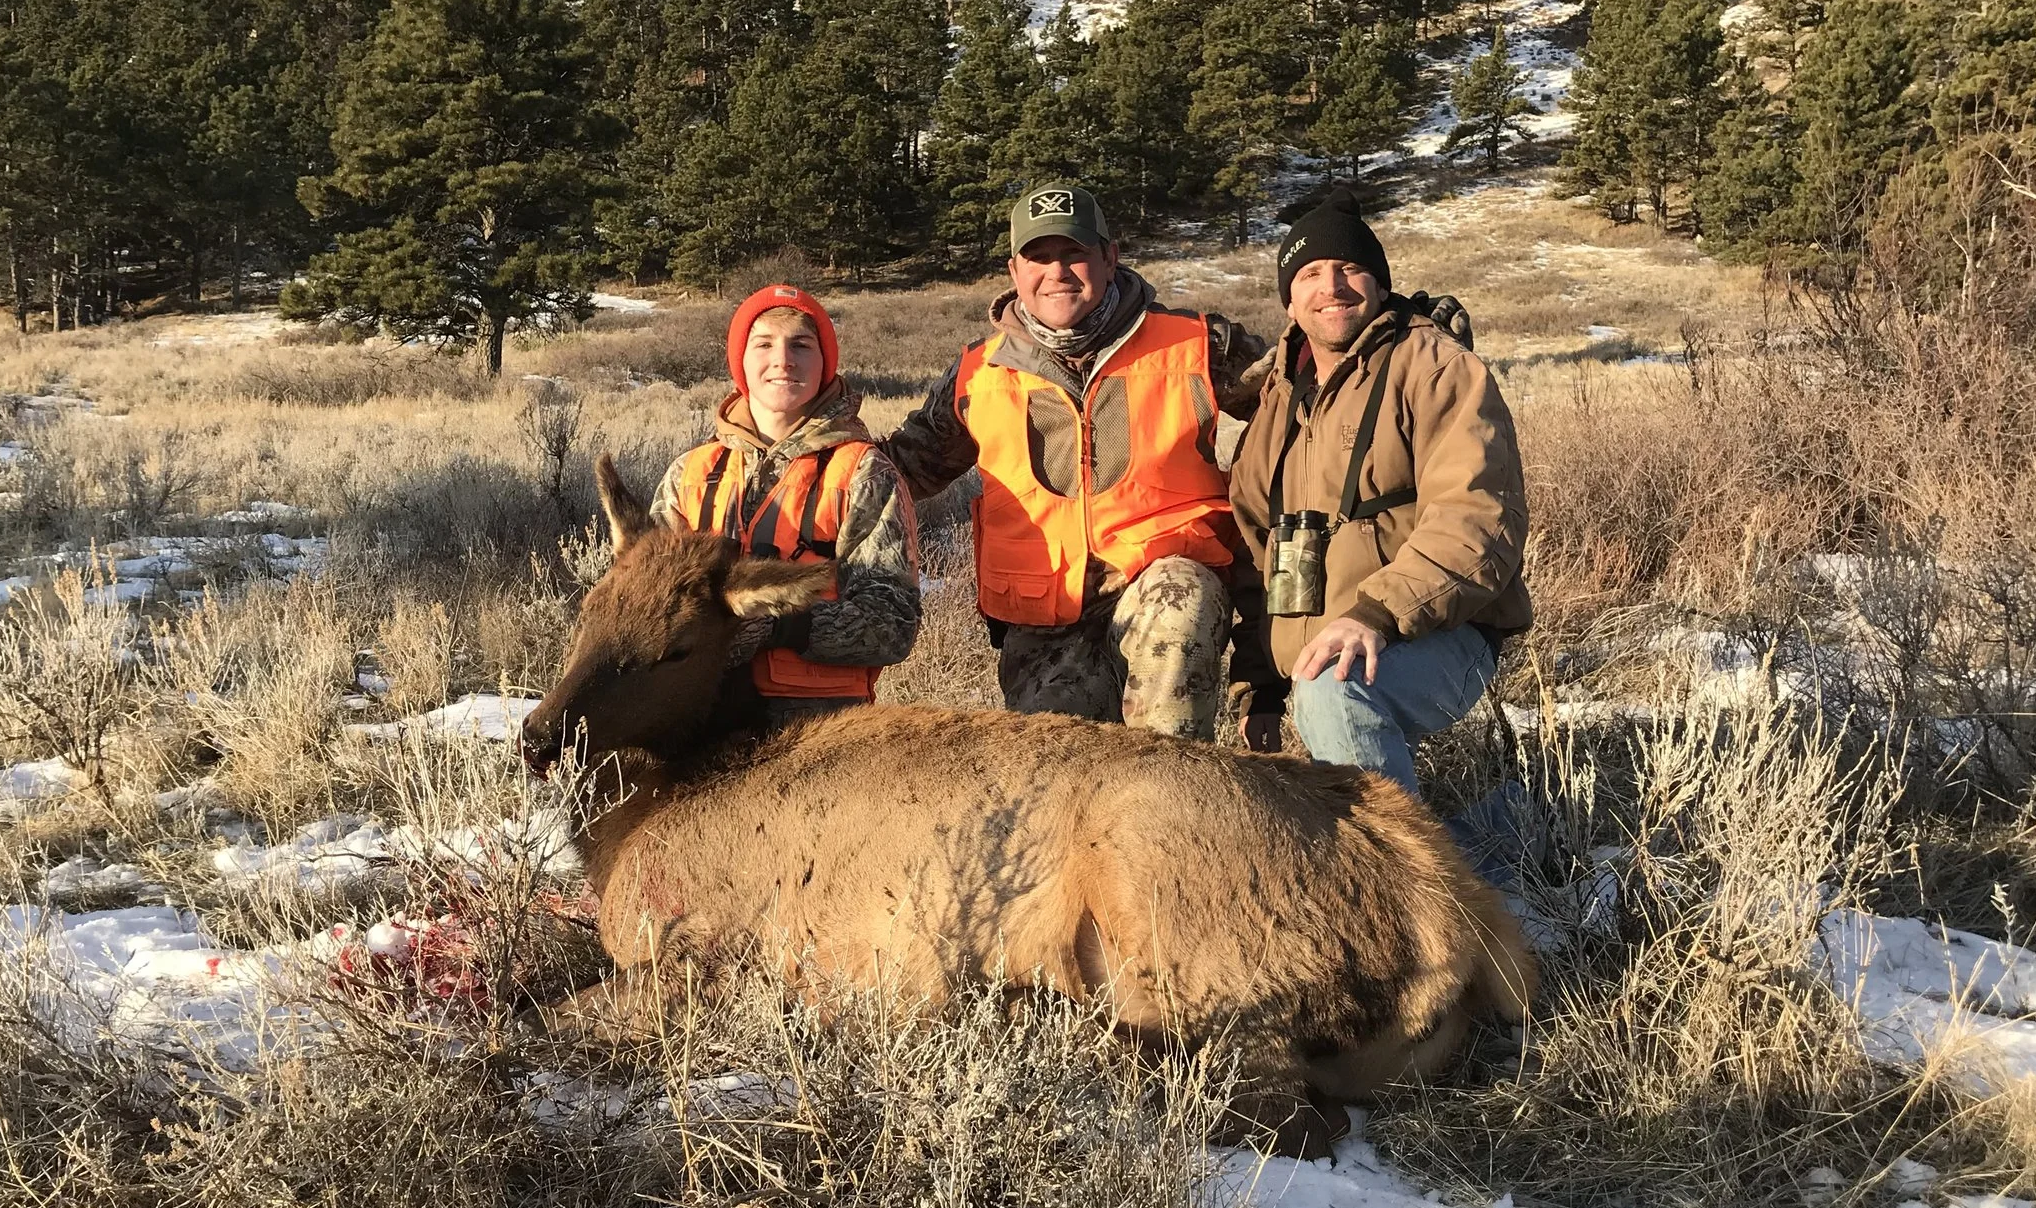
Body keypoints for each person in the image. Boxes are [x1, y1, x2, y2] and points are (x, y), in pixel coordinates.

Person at [885, 181, 1275, 738]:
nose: (1058, 272)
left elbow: (1305, 397)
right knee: (1056, 780)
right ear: (1014, 270)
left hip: (1161, 584)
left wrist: (1396, 334)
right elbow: (903, 467)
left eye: (1075, 253)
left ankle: (1171, 798)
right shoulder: (978, 373)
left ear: (1110, 257)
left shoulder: (1198, 345)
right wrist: (805, 444)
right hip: (1042, 617)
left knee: (1178, 613)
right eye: (1039, 257)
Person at [1228, 189, 1530, 793]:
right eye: (1310, 274)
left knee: (1336, 690)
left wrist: (1376, 614)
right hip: (1313, 649)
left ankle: (1402, 880)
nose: (1331, 287)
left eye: (1350, 269)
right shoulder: (1276, 396)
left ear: (1379, 282)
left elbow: (1477, 517)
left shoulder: (1436, 367)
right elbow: (1257, 547)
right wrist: (1259, 683)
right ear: (1290, 301)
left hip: (1435, 635)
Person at [652, 283, 921, 726]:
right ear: (740, 361)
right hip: (697, 718)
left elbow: (891, 624)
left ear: (825, 363)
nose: (783, 359)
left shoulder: (862, 472)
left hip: (819, 726)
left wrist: (777, 626)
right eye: (763, 344)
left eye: (801, 344)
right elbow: (646, 603)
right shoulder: (692, 472)